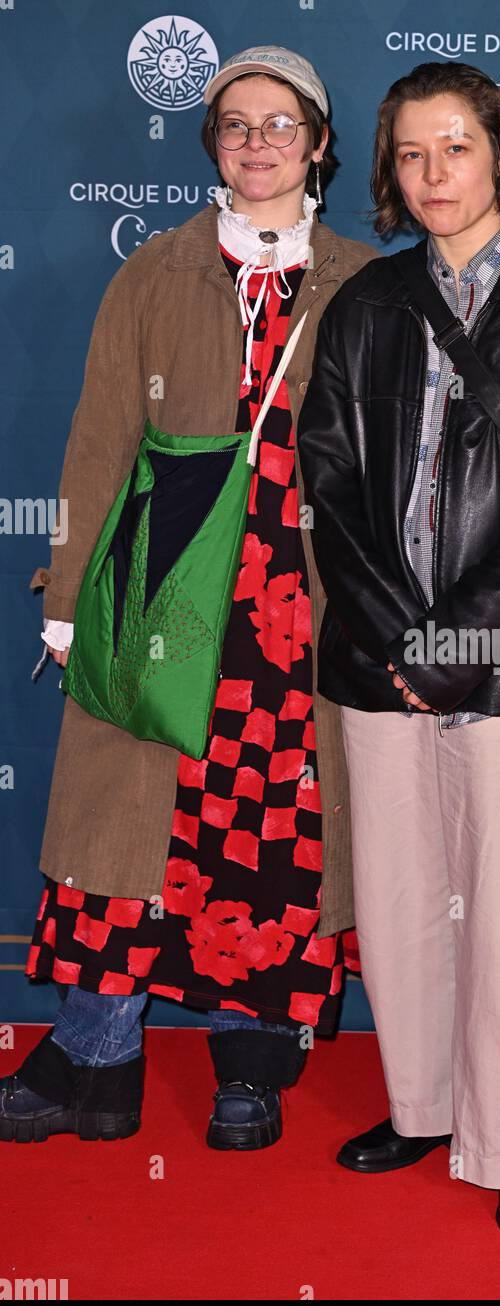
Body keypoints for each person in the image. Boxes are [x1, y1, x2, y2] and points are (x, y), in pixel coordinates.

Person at [2, 46, 377, 1150]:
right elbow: (96, 440)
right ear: (211, 143)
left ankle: (249, 1066)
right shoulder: (154, 272)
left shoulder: (360, 284)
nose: (256, 144)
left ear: (317, 144)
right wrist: (67, 594)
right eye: (233, 125)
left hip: (294, 609)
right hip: (159, 586)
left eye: (279, 125)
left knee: (267, 836)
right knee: (125, 830)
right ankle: (100, 1058)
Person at [297, 61, 500, 1238]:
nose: (434, 176)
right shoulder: (366, 304)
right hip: (381, 668)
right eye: (411, 154)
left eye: (457, 149)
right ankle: (424, 1106)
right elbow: (326, 486)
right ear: (387, 169)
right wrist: (397, 638)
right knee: (398, 904)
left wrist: (458, 647)